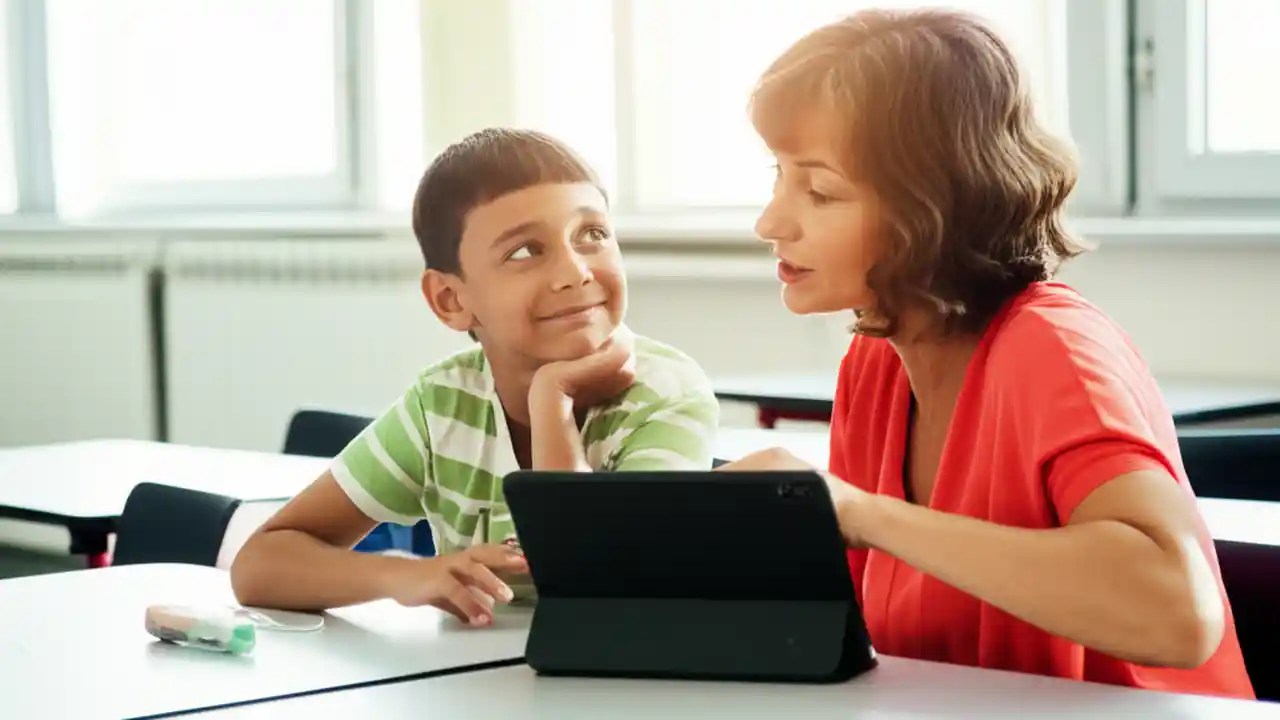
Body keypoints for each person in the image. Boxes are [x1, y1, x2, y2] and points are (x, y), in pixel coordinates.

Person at [722, 9, 1254, 698]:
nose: (770, 223)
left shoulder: (1051, 349)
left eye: (819, 191)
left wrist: (860, 514)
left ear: (933, 207)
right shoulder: (879, 356)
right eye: (779, 178)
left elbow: (1179, 612)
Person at [232, 129, 719, 626]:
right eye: (525, 252)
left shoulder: (667, 397)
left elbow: (593, 586)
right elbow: (259, 565)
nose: (575, 272)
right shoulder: (442, 404)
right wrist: (403, 577)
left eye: (591, 235)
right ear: (451, 300)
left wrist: (552, 403)